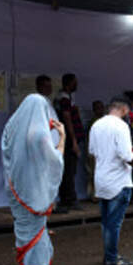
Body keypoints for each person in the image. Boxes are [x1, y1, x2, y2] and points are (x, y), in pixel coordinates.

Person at [1, 94, 64, 265]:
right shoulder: (38, 134)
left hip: (14, 186)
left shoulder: (11, 127)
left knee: (24, 230)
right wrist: (62, 137)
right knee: (36, 233)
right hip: (32, 192)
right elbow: (54, 160)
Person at [89, 98, 133, 265]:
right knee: (114, 223)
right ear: (122, 109)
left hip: (101, 179)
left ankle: (109, 254)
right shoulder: (121, 126)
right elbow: (126, 154)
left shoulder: (96, 125)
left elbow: (91, 151)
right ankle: (112, 257)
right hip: (118, 180)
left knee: (106, 221)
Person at [53, 73, 82, 213]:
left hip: (69, 138)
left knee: (70, 170)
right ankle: (68, 200)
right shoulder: (64, 99)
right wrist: (74, 141)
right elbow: (67, 119)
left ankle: (68, 198)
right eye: (75, 82)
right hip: (69, 139)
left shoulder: (68, 98)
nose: (77, 85)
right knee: (68, 170)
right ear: (69, 83)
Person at [85, 100, 106, 201]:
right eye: (98, 108)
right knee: (94, 174)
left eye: (101, 107)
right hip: (95, 153)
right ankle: (94, 195)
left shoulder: (103, 121)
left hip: (102, 152)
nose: (101, 110)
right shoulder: (94, 122)